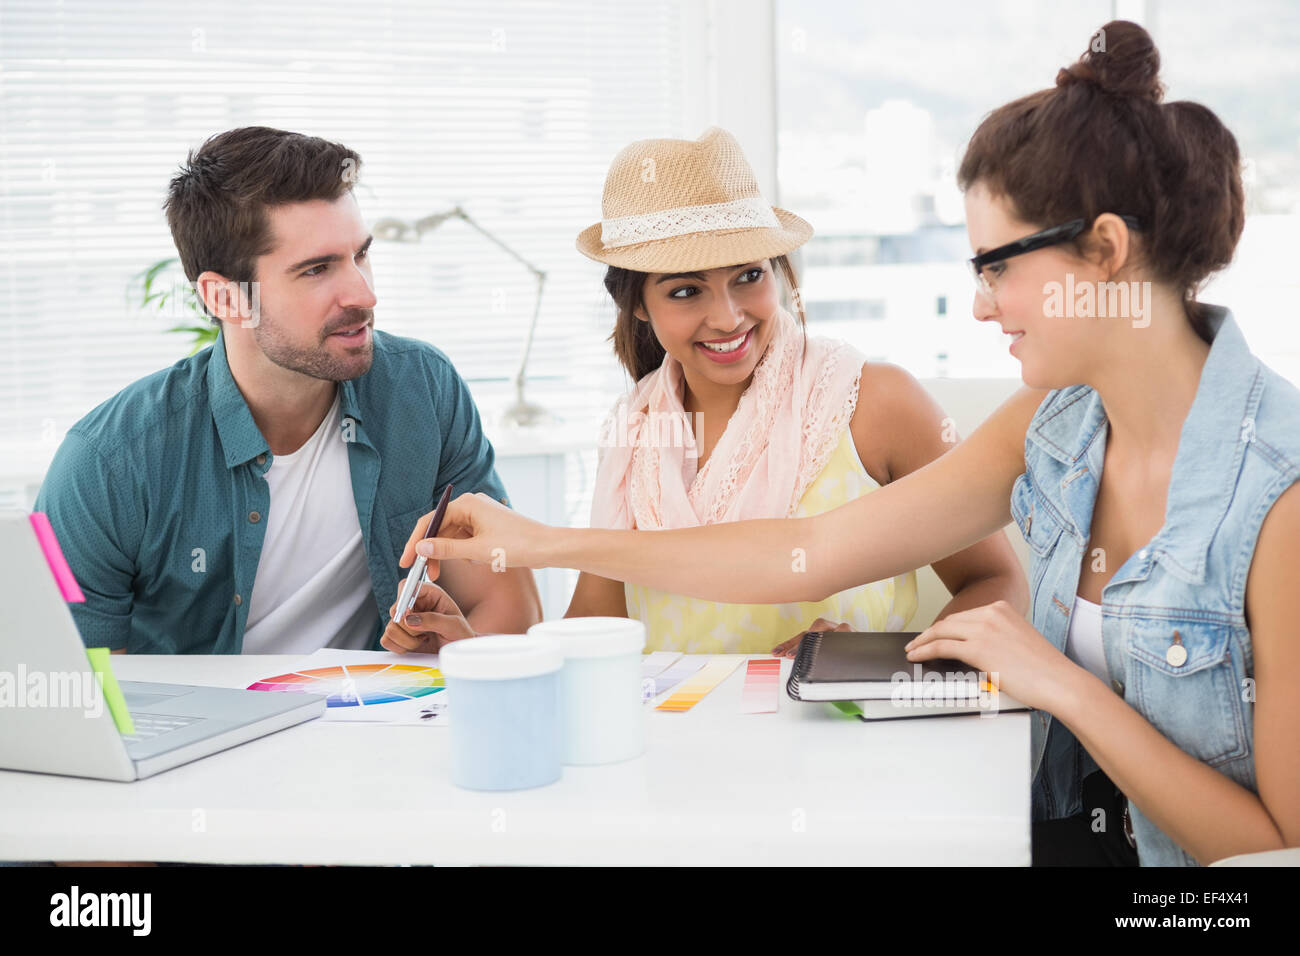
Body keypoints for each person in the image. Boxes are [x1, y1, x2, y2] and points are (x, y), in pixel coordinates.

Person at [403, 22, 1300, 866]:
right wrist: (534, 548)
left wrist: (1061, 683)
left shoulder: (1278, 492)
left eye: (996, 266)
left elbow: (1274, 848)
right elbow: (811, 555)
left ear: (1103, 251)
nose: (981, 305)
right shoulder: (1055, 428)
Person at [35, 126, 541, 657]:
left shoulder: (423, 389)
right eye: (317, 269)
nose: (364, 294)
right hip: (207, 738)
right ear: (226, 297)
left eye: (360, 256)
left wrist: (451, 655)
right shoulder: (108, 462)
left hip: (376, 722)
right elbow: (76, 691)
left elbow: (507, 604)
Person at [563, 127, 1026, 652]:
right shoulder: (632, 432)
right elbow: (592, 628)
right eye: (687, 291)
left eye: (748, 277)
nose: (728, 316)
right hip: (676, 733)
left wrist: (872, 663)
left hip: (840, 730)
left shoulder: (874, 402)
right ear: (638, 305)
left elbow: (996, 584)